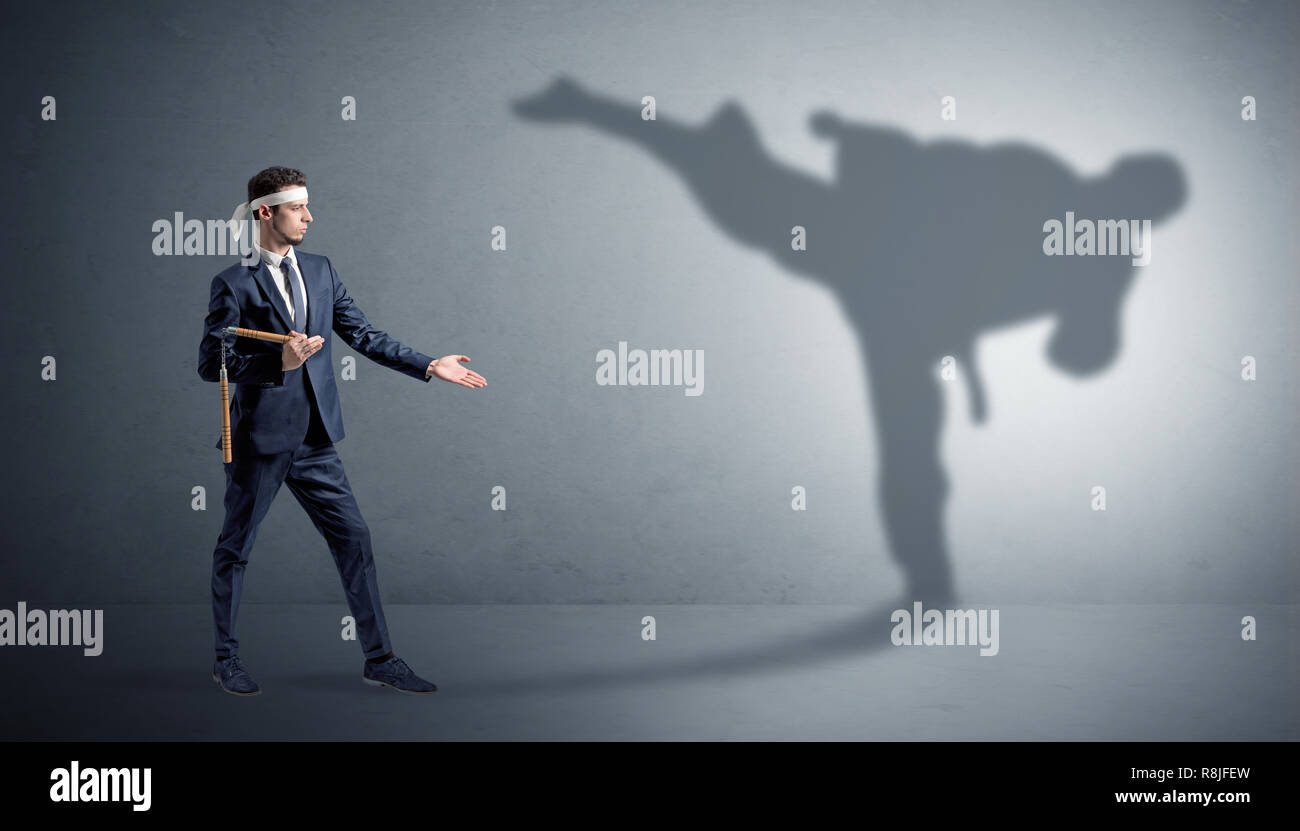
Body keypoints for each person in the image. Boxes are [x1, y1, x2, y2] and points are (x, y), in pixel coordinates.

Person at [196, 166, 486, 695]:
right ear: (267, 212)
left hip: (315, 439)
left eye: (308, 206)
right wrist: (275, 364)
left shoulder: (322, 270)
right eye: (298, 207)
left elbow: (363, 334)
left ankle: (380, 659)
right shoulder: (233, 282)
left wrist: (427, 364)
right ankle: (225, 659)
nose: (309, 216)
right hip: (259, 440)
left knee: (354, 539)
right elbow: (210, 361)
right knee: (235, 548)